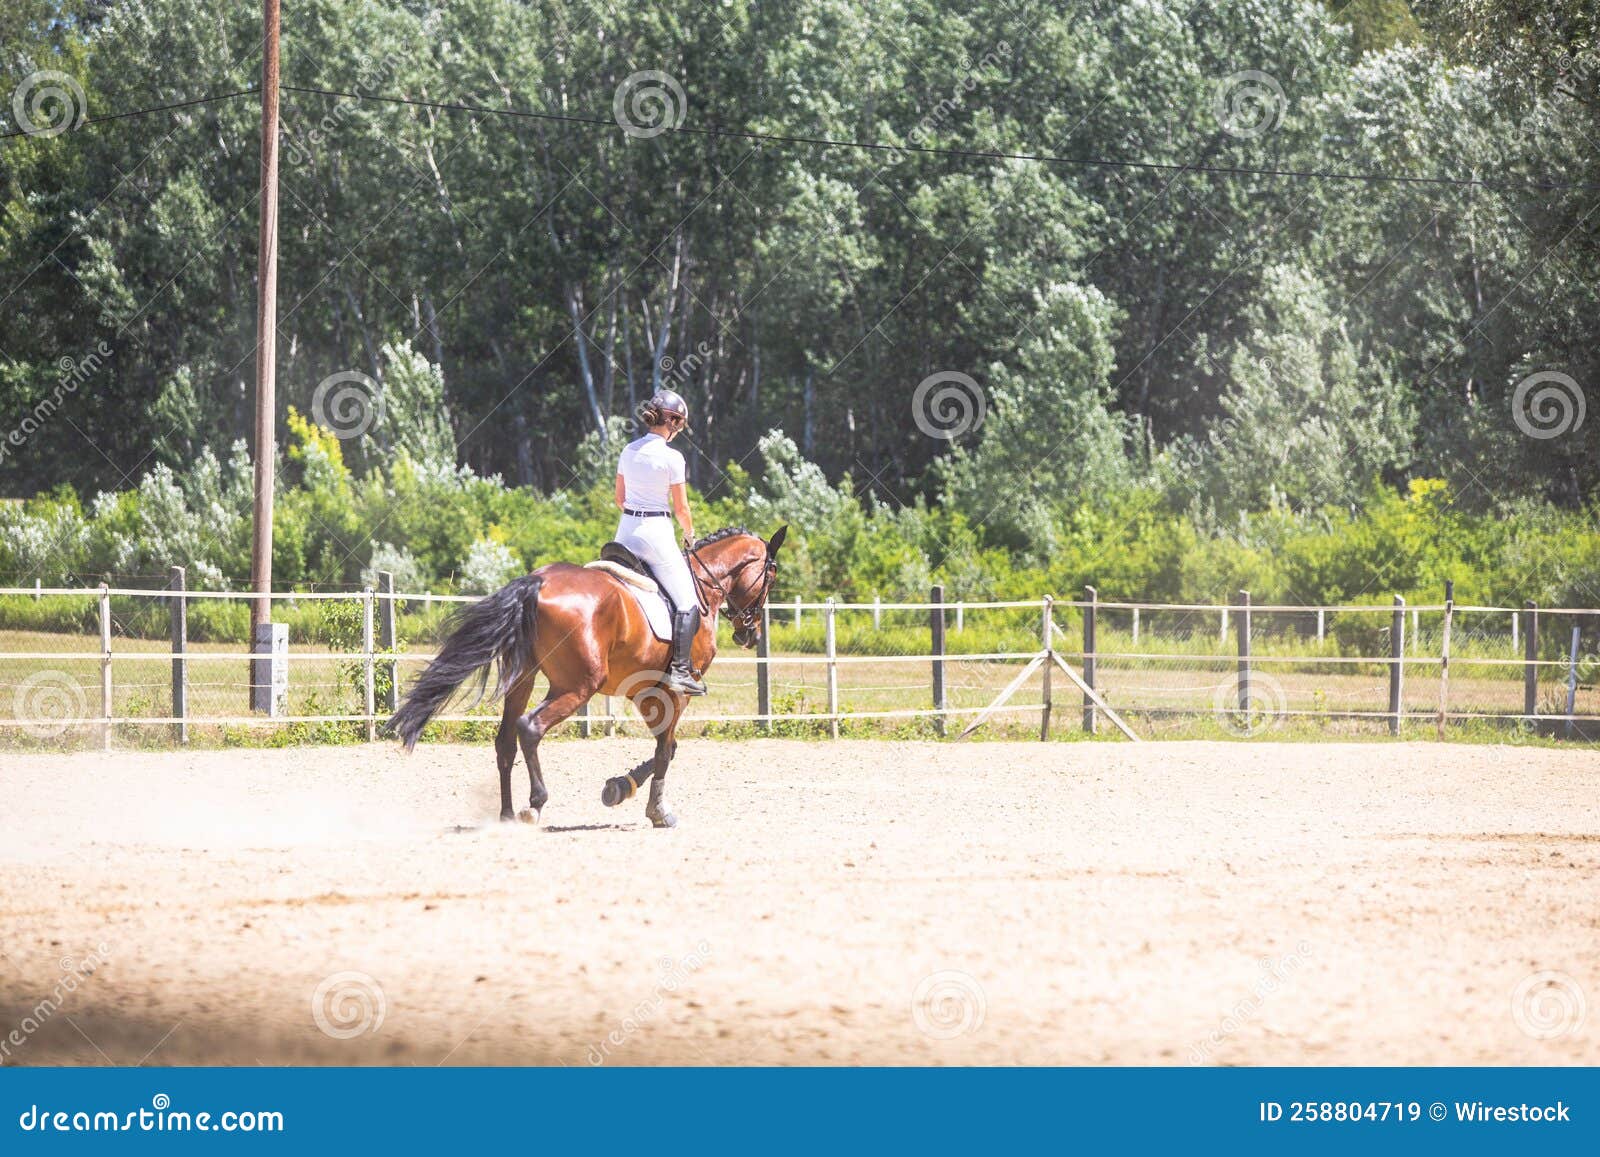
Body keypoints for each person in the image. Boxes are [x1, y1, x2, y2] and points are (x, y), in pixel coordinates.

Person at [614, 389, 707, 695]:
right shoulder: (672, 457)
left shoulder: (628, 450)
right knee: (688, 601)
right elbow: (681, 508)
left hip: (625, 531)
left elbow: (619, 499)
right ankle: (680, 671)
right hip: (656, 532)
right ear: (674, 422)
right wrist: (689, 534)